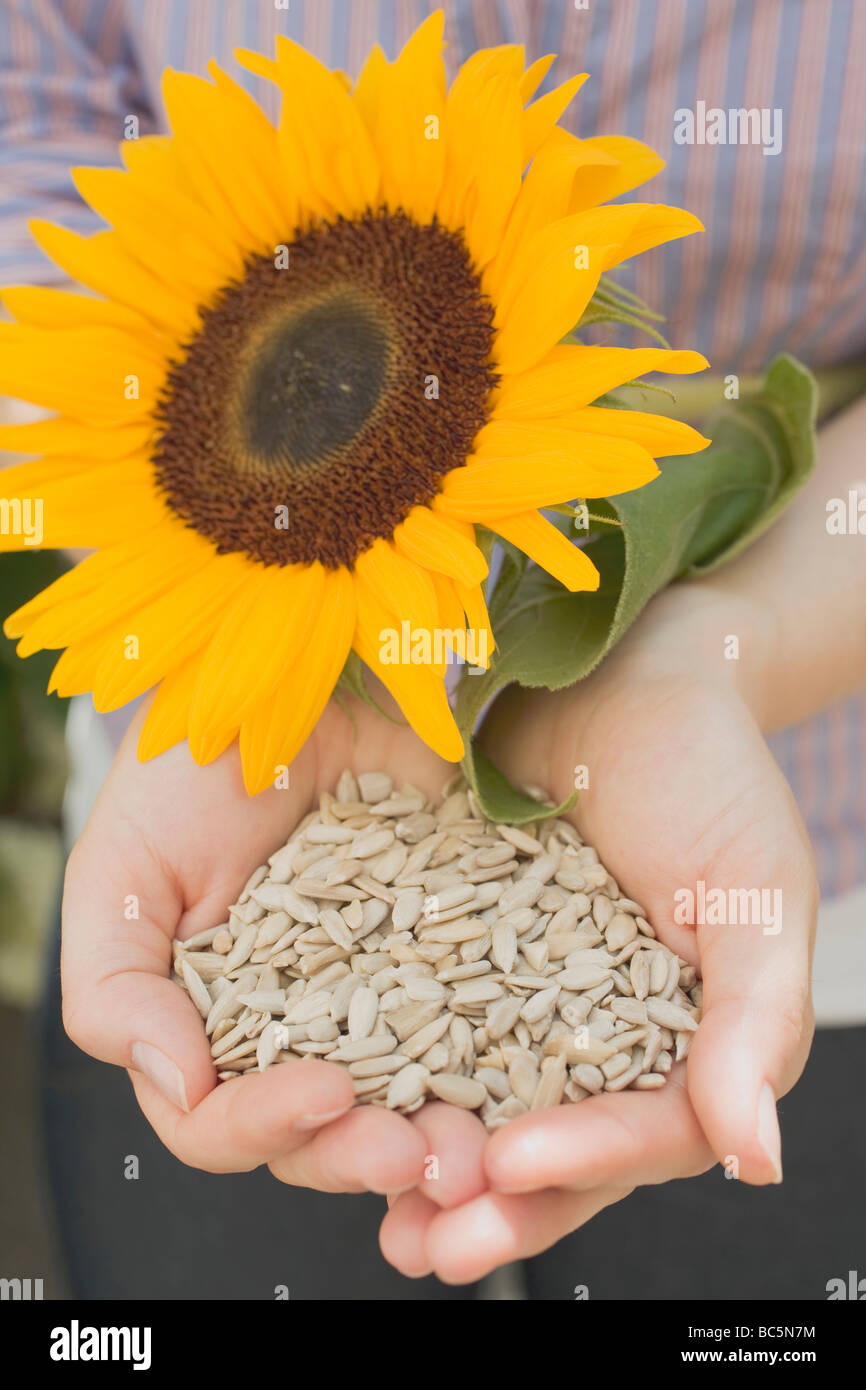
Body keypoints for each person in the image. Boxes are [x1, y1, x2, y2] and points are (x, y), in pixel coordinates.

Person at [2, 0, 865, 1299]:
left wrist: (720, 644)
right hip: (217, 750)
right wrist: (224, 657)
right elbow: (35, 112)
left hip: (814, 838)